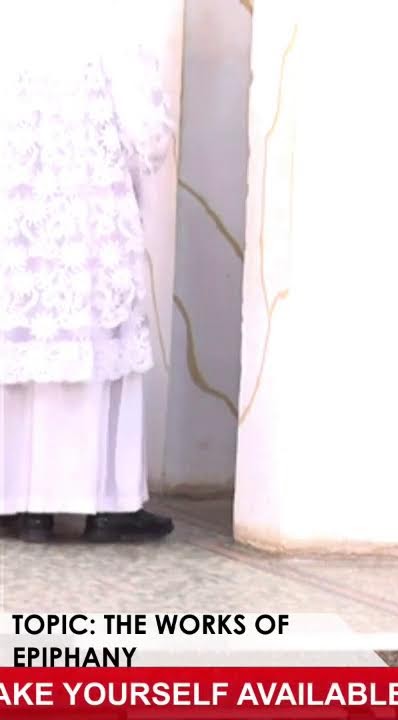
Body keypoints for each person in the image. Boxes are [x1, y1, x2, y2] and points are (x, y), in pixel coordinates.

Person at [0, 12, 175, 543]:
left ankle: (21, 505)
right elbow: (147, 136)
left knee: (24, 348)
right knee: (95, 349)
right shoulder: (111, 22)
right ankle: (107, 503)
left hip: (20, 226)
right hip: (88, 224)